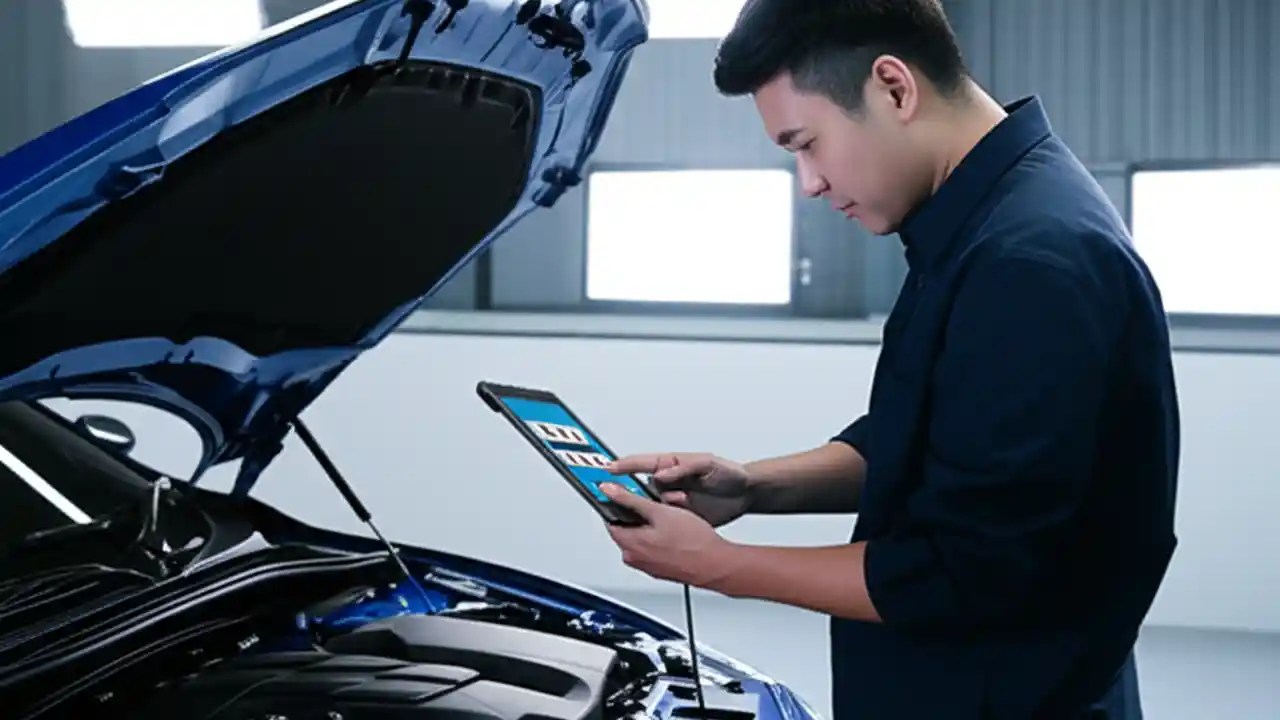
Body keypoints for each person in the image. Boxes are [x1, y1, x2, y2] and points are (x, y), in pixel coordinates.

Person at [598, 1, 1180, 719]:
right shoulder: (983, 217)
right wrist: (753, 488)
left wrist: (718, 568)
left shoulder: (1030, 261)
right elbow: (928, 439)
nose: (808, 181)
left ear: (894, 88)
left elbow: (964, 572)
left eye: (806, 143)